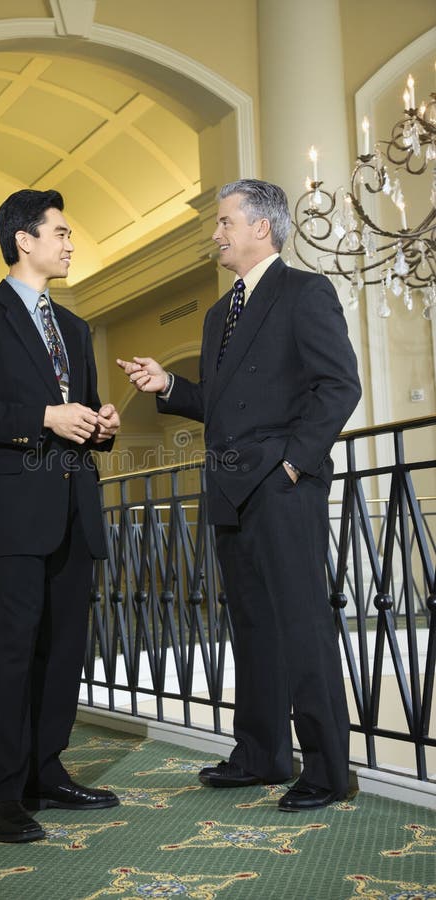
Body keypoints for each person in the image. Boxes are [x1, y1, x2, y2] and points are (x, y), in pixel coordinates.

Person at [117, 178, 361, 811]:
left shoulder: (305, 292)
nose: (216, 233)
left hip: (281, 489)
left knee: (302, 627)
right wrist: (169, 384)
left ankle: (330, 771)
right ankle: (261, 754)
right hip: (228, 488)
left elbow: (339, 387)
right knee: (252, 627)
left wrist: (292, 466)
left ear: (262, 227)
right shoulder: (217, 313)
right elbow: (219, 404)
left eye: (226, 221)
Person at [0, 189, 121, 843]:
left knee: (64, 647)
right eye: (62, 232)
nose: (71, 243)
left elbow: (86, 412)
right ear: (24, 239)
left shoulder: (74, 329)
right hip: (16, 504)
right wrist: (43, 418)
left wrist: (102, 425)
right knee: (13, 650)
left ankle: (44, 771)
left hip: (74, 503)